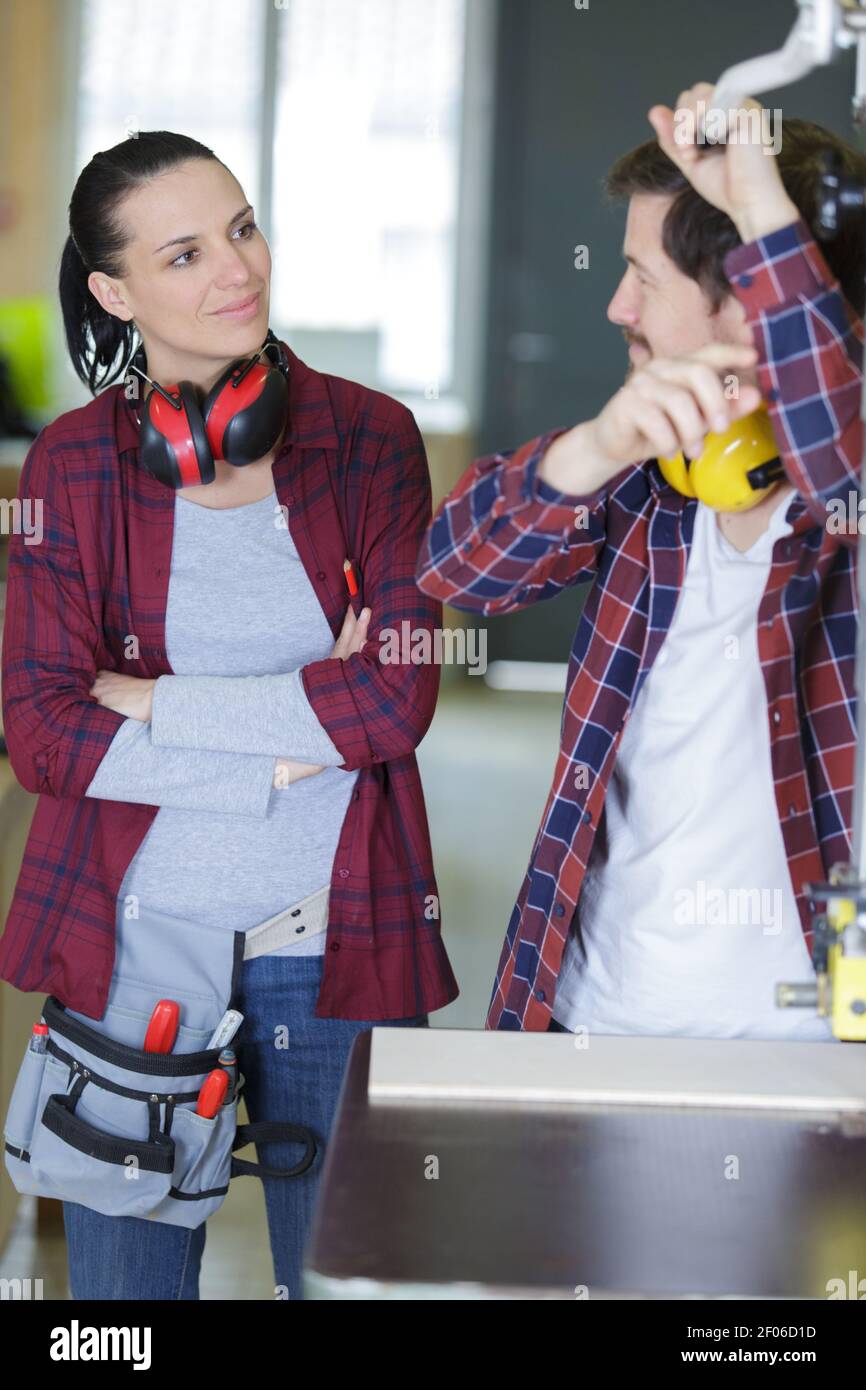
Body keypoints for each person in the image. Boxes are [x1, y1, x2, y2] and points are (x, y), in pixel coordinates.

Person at [0, 130, 458, 1299]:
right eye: (188, 252)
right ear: (115, 290)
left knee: (350, 1286)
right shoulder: (73, 466)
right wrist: (280, 759)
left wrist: (159, 703)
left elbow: (394, 696)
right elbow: (46, 733)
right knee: (121, 1318)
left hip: (336, 930)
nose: (237, 269)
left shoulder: (368, 438)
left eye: (243, 228)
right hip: (139, 940)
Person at [416, 83, 865, 1040]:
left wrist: (762, 213)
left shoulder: (845, 494)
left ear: (752, 306)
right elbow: (455, 570)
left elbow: (841, 448)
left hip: (817, 1051)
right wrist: (589, 451)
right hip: (592, 1020)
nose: (617, 303)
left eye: (644, 277)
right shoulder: (650, 476)